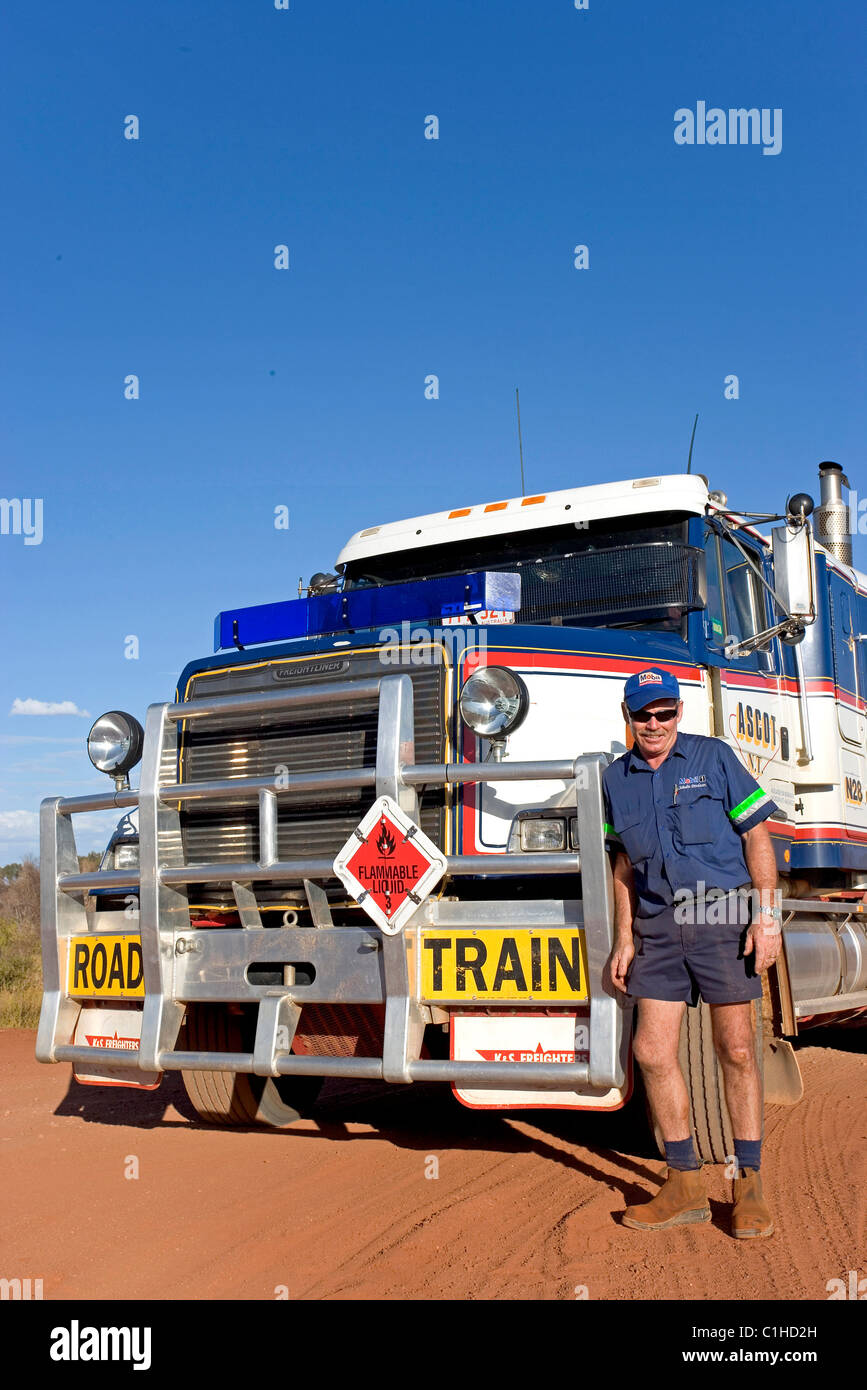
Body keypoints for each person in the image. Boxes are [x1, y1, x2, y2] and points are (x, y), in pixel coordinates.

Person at [603, 668, 781, 1238]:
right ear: (627, 717)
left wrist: (767, 916)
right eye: (642, 715)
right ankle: (683, 1183)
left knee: (735, 1048)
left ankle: (747, 1182)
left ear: (679, 713)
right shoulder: (615, 778)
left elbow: (756, 836)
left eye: (664, 713)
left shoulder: (714, 757)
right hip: (656, 925)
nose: (654, 724)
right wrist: (624, 938)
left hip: (723, 915)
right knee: (652, 1050)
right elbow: (623, 866)